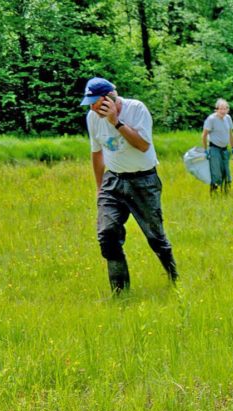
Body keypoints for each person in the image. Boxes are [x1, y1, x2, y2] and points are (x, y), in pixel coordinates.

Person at [81, 77, 177, 294]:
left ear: (108, 100)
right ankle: (120, 293)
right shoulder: (92, 117)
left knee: (156, 237)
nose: (92, 108)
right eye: (89, 104)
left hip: (143, 181)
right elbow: (96, 153)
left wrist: (115, 121)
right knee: (107, 235)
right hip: (113, 181)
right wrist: (99, 188)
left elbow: (143, 145)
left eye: (95, 103)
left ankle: (174, 279)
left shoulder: (136, 109)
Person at [201, 98, 233, 195]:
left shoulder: (228, 118)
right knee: (216, 173)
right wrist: (205, 150)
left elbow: (231, 134)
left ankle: (226, 193)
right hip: (214, 149)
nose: (223, 111)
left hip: (224, 149)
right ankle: (214, 192)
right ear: (216, 109)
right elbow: (204, 135)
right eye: (221, 109)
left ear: (227, 109)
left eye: (225, 109)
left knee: (226, 172)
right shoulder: (211, 119)